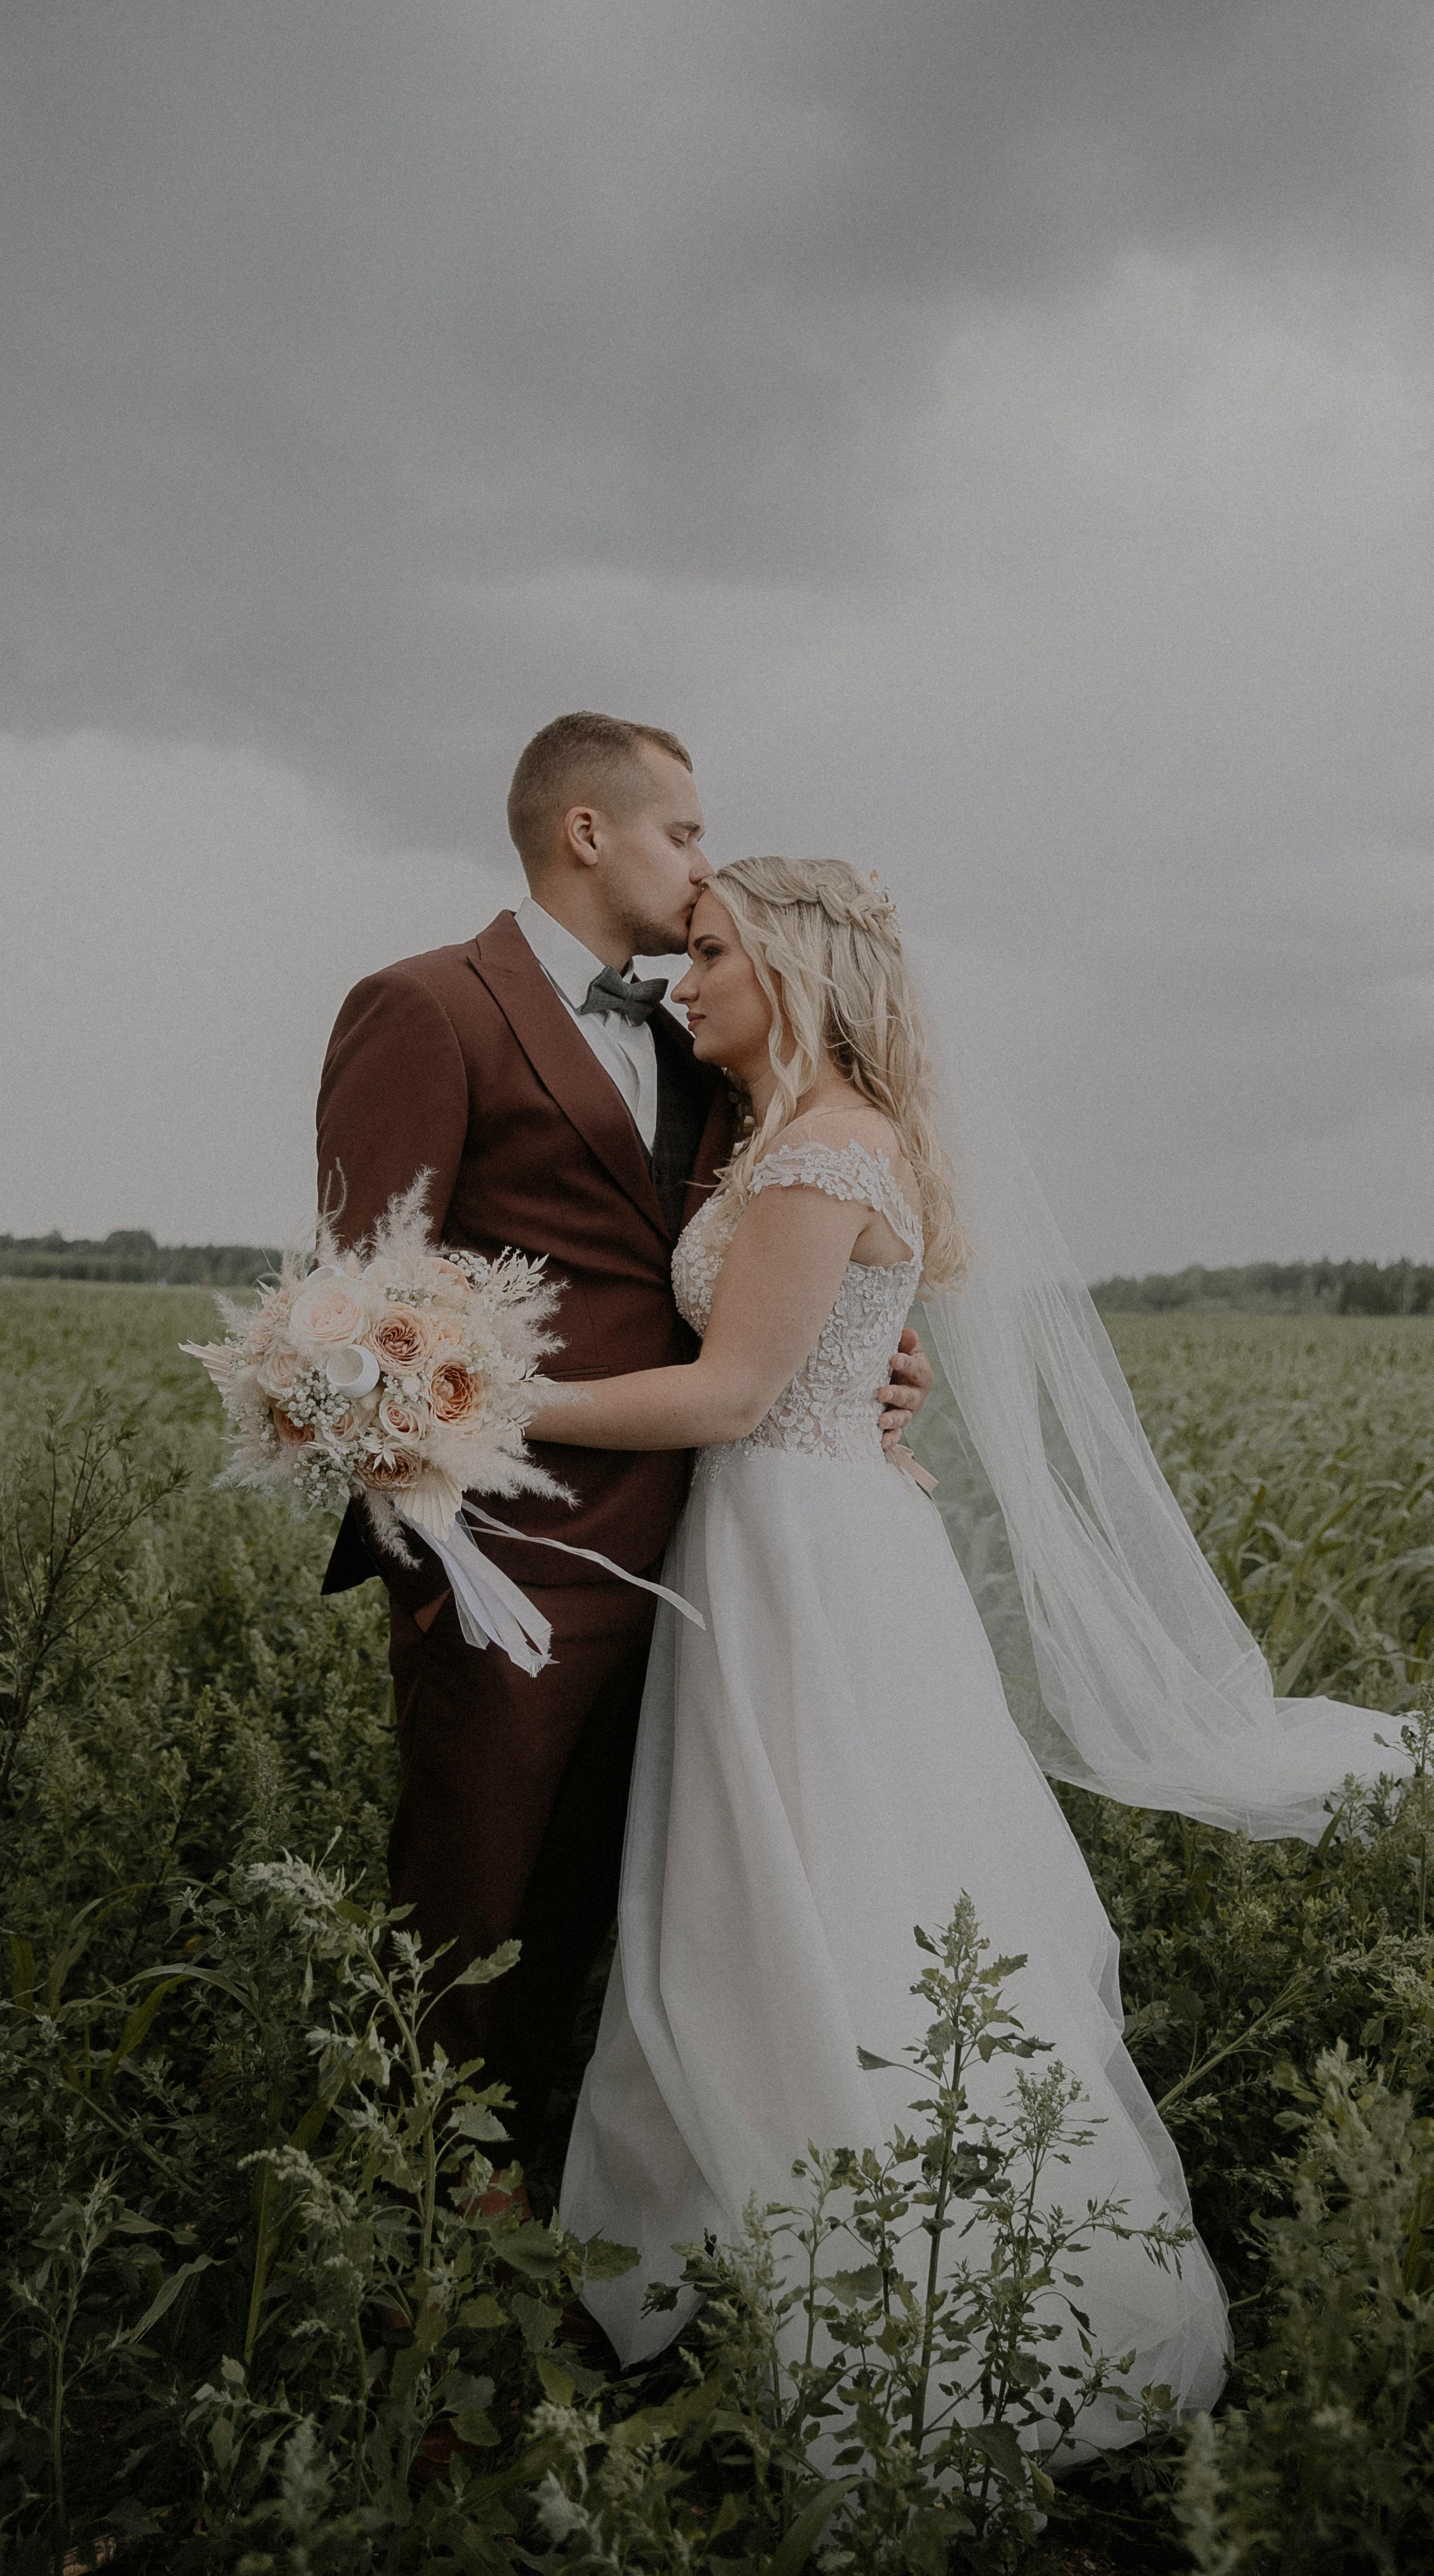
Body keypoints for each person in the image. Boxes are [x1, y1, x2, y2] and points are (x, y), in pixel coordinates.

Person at [527, 857, 1236, 2445]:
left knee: (817, 1895)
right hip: (794, 1535)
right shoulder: (792, 1137)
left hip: (800, 1554)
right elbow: (809, 1351)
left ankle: (907, 2297)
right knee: (774, 1889)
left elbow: (729, 1395)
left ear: (793, 971)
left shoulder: (824, 1148)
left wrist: (491, 1405)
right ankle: (746, 2246)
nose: (684, 981)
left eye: (713, 953)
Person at [312, 724, 931, 2157]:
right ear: (589, 832)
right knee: (467, 1907)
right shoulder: (427, 1006)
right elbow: (364, 1299)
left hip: (713, 1550)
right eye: (685, 834)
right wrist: (429, 1514)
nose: (706, 866)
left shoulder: (700, 1035)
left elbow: (786, 1254)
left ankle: (549, 2191)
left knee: (630, 1916)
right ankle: (417, 2213)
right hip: (510, 1557)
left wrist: (878, 1357)